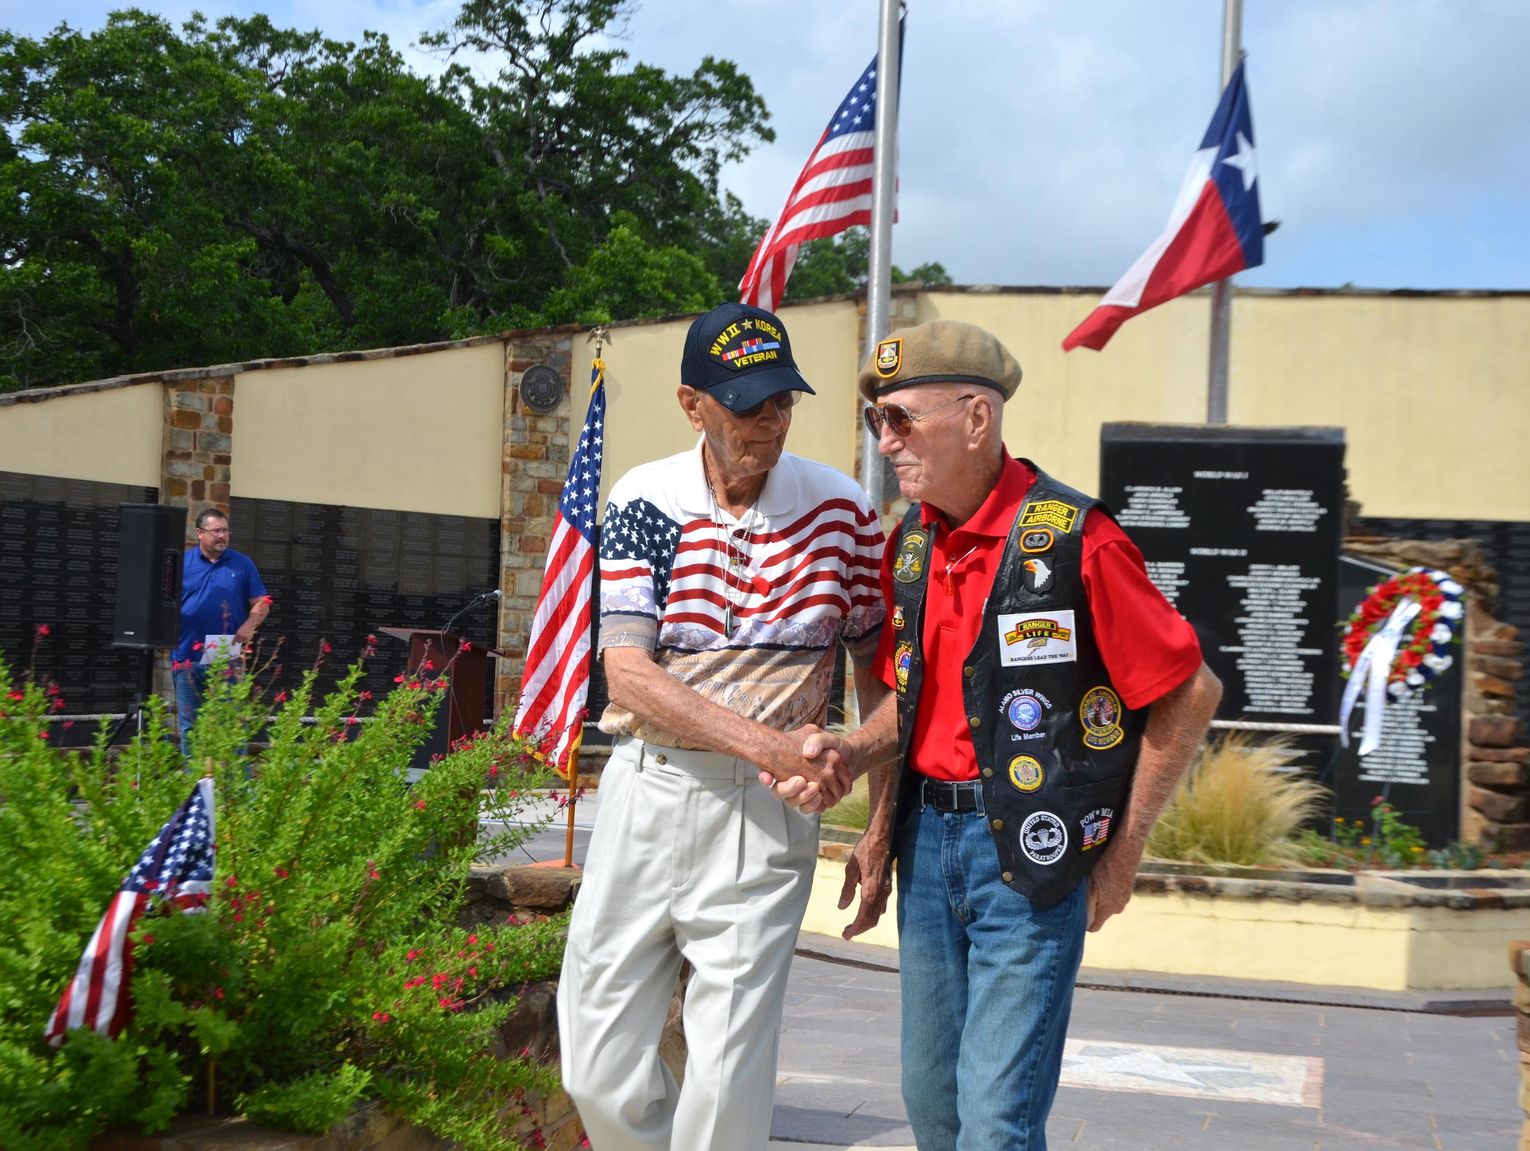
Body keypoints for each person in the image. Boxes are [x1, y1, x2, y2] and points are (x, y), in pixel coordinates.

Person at [772, 319, 1223, 1150]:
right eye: (878, 422)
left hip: (1029, 856)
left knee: (996, 1119)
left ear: (977, 418)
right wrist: (864, 793)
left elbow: (1189, 691)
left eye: (902, 419)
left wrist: (1123, 853)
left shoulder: (1076, 539)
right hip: (928, 841)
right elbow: (915, 705)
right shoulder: (911, 543)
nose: (885, 442)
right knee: (933, 1105)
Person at [557, 301, 888, 1151]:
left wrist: (880, 821)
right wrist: (773, 743)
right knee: (595, 1060)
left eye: (782, 401)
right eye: (746, 404)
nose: (769, 423)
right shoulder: (646, 497)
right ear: (690, 403)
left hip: (766, 812)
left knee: (729, 1064)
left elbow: (882, 674)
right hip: (649, 789)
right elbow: (628, 669)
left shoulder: (843, 509)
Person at [172, 508, 270, 754]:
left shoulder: (242, 563)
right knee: (190, 729)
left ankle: (236, 789)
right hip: (186, 658)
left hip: (226, 657)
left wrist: (249, 625)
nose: (222, 536)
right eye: (216, 531)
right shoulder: (181, 564)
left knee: (230, 727)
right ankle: (196, 788)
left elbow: (262, 602)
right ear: (199, 534)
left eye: (225, 530)